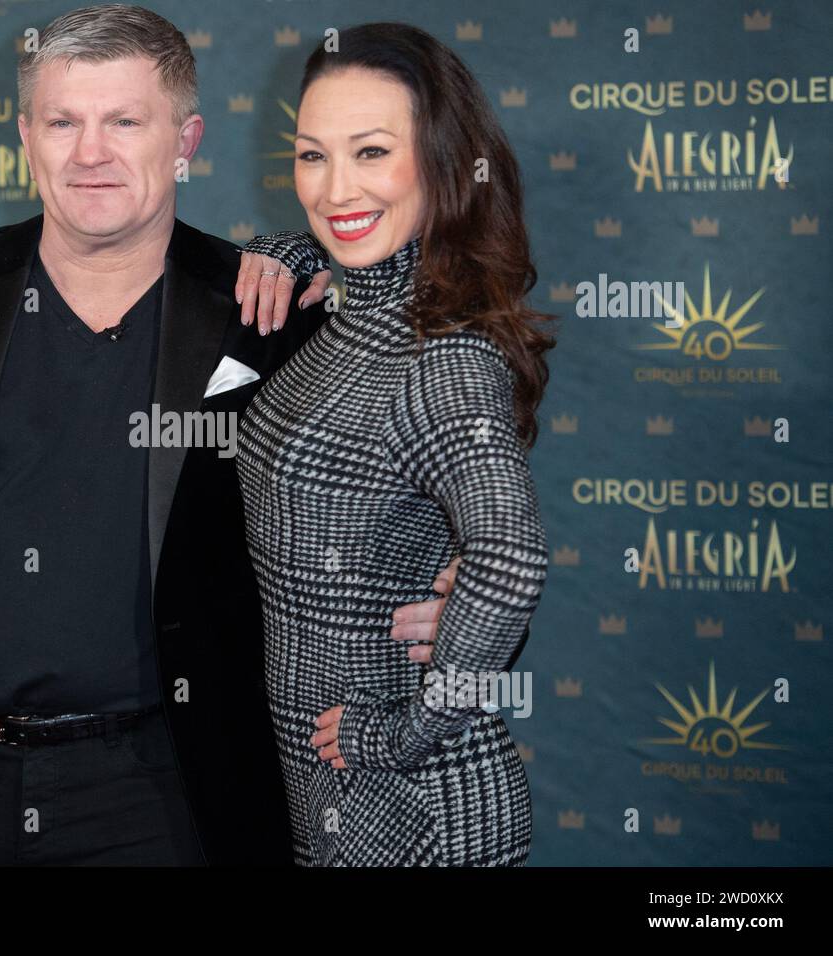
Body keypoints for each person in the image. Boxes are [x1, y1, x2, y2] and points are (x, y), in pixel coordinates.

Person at [0, 4, 464, 866]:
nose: (90, 153)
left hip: (172, 795)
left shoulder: (265, 314)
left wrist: (457, 593)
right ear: (25, 137)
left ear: (185, 141)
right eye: (63, 122)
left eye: (124, 121)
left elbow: (401, 507)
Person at [233, 22, 556, 865]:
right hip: (327, 797)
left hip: (418, 808)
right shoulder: (353, 314)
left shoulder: (442, 357)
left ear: (443, 163)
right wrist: (293, 249)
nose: (334, 184)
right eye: (312, 155)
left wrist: (407, 733)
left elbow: (511, 561)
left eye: (372, 152)